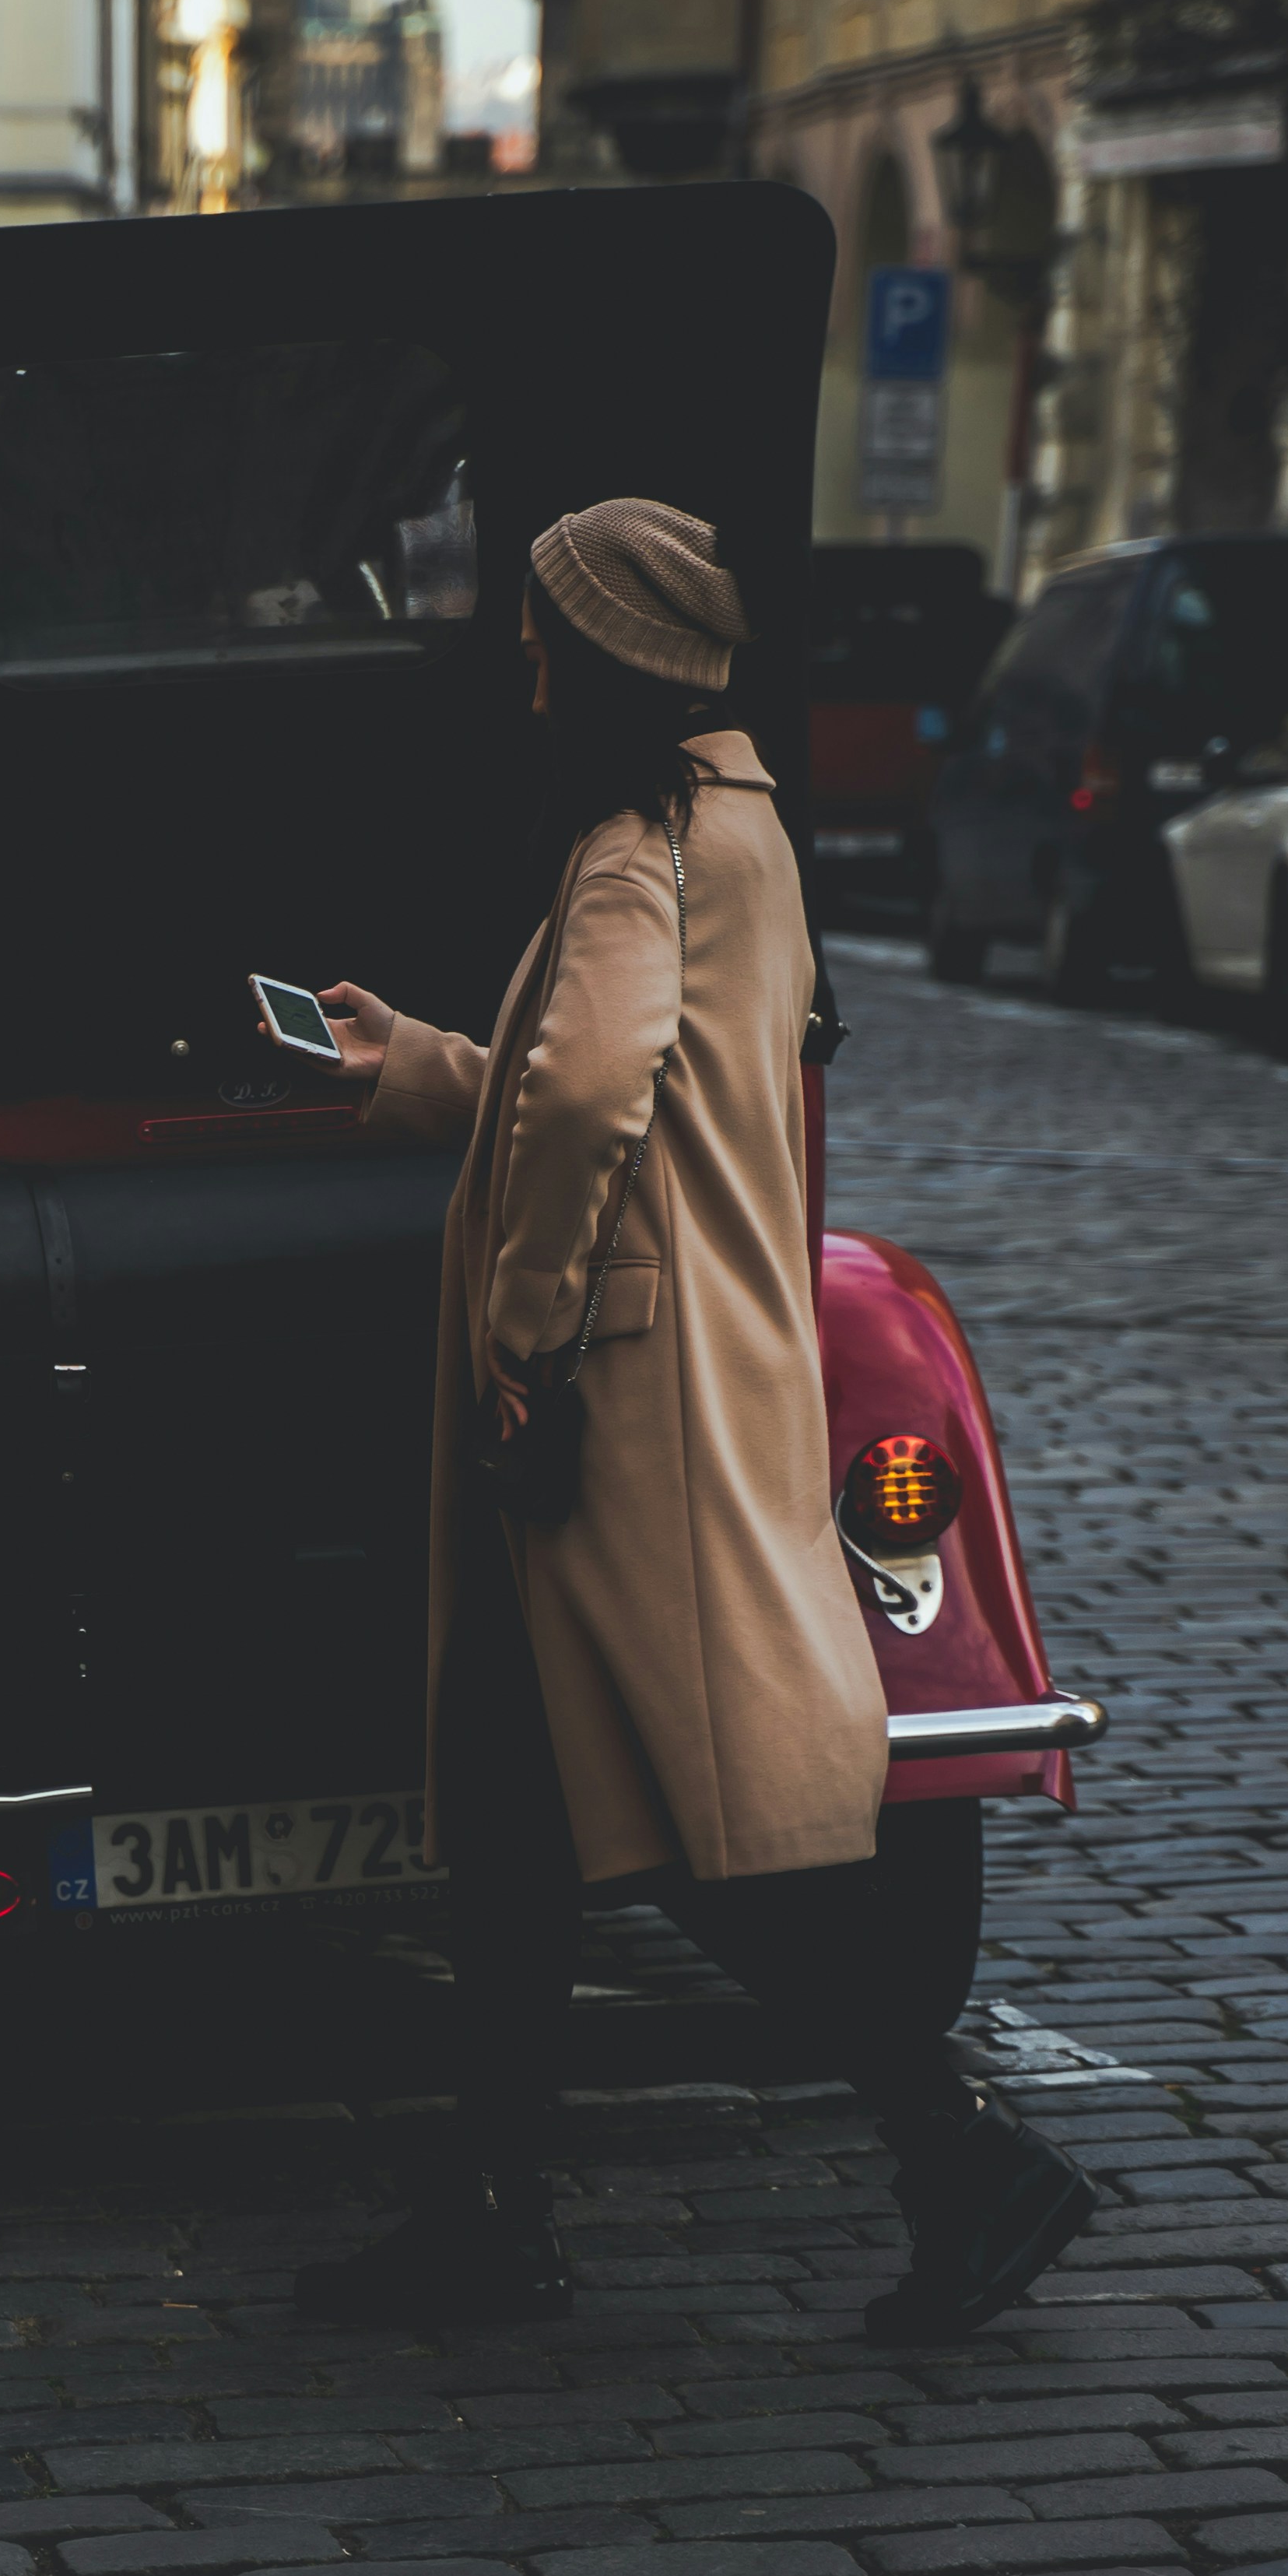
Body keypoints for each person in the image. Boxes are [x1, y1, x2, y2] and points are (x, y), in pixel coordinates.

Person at [300, 497, 1095, 2340]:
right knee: (513, 1828)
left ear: (592, 659)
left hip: (616, 1406)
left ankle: (955, 2150)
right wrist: (418, 1067)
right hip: (677, 1369)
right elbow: (609, 1084)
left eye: (534, 636)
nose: (513, 663)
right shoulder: (734, 821)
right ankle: (487, 2210)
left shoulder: (629, 838)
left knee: (690, 1841)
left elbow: (589, 1096)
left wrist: (516, 1332)